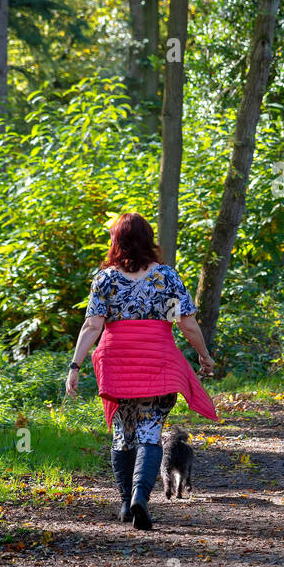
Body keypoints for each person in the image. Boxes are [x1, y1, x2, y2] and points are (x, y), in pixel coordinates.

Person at [65, 213, 218, 530]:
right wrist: (204, 356)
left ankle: (125, 504)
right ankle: (140, 498)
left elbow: (93, 325)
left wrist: (75, 366)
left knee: (123, 435)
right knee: (150, 435)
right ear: (149, 240)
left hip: (117, 363)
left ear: (116, 242)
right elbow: (186, 323)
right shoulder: (166, 278)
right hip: (156, 362)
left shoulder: (105, 279)